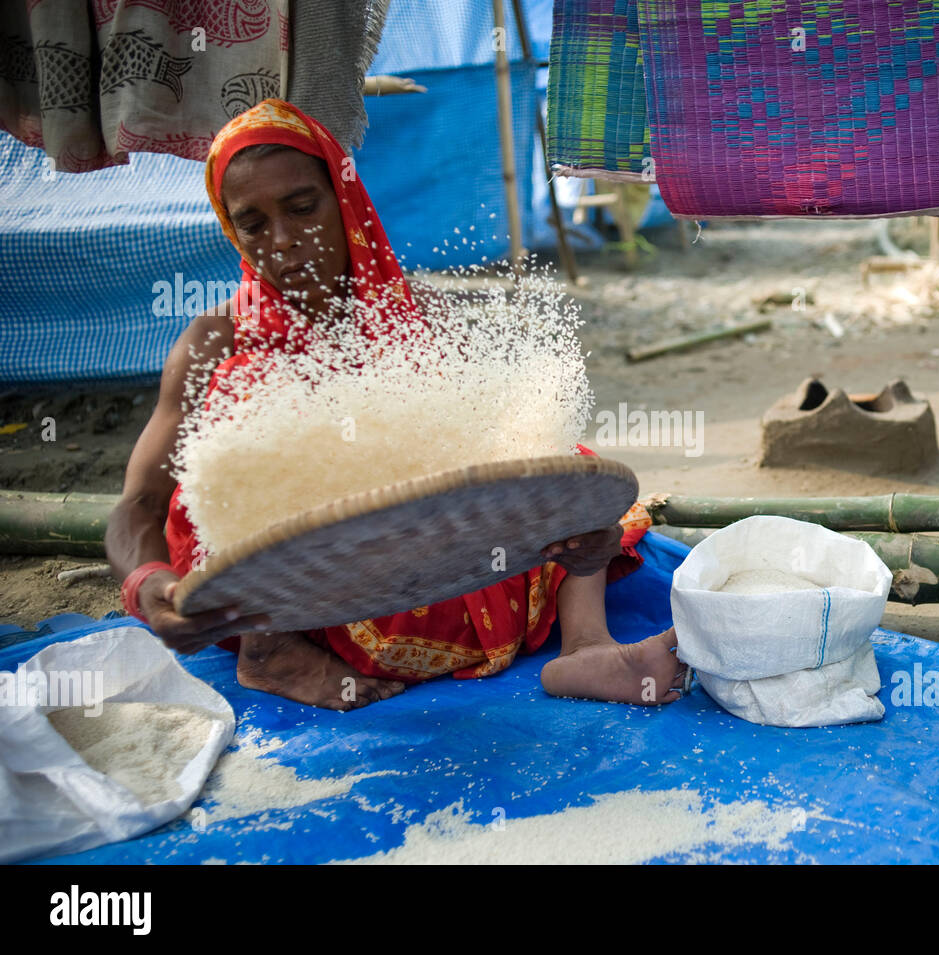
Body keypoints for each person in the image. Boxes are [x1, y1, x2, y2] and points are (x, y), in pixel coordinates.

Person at [105, 99, 685, 711]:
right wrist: (149, 586)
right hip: (309, 602)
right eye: (253, 224)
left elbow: (499, 463)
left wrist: (584, 531)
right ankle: (269, 653)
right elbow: (139, 504)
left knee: (562, 459)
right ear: (232, 230)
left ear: (346, 199)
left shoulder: (422, 318)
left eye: (303, 209)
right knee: (254, 457)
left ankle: (585, 646)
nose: (283, 243)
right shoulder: (217, 339)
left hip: (417, 567)